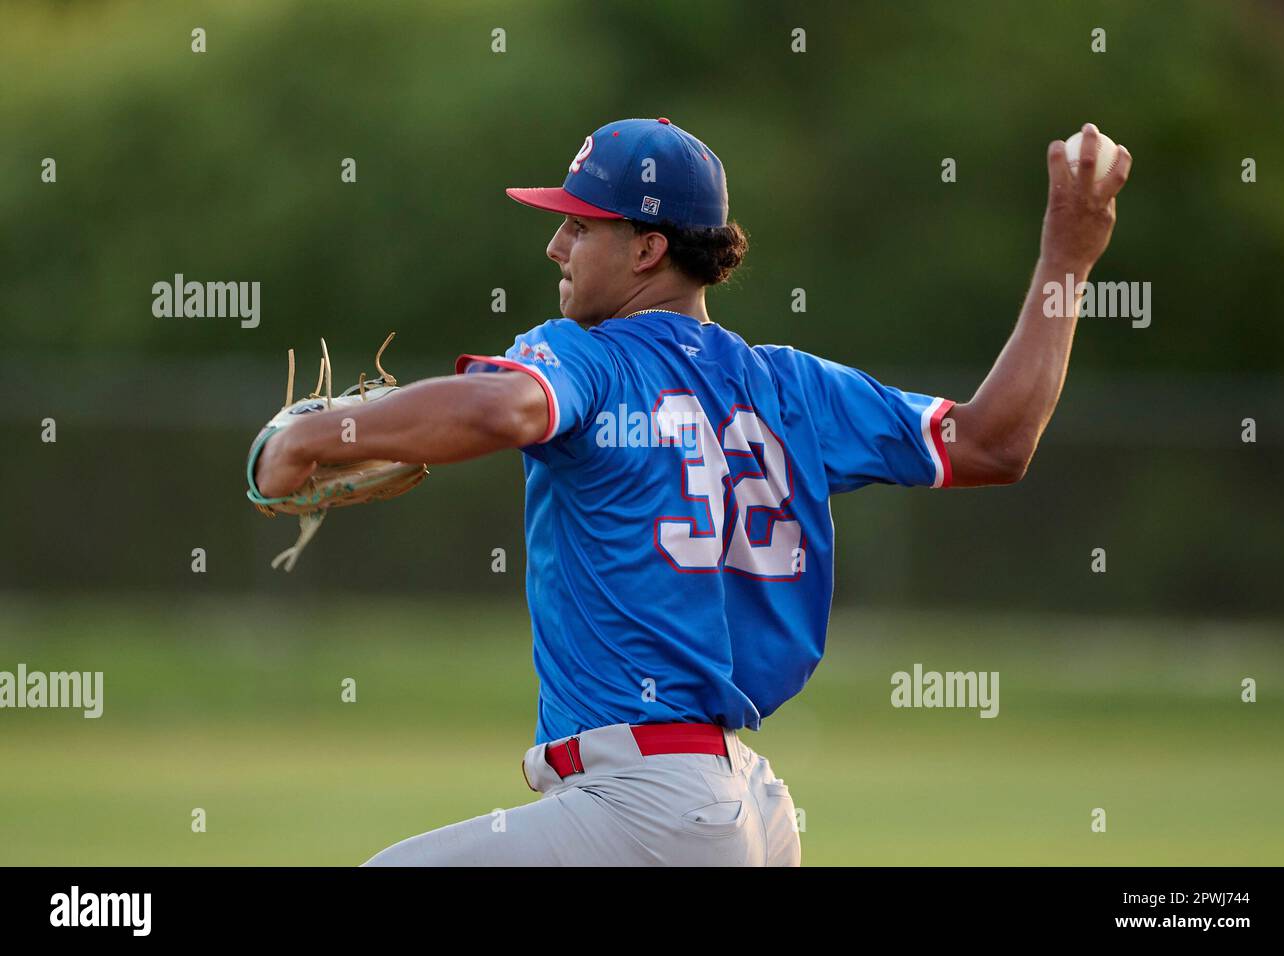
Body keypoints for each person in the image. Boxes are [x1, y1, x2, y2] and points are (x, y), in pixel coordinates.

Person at [252, 117, 1131, 865]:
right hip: (739, 809)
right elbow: (996, 441)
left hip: (643, 810)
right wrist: (1068, 257)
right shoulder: (792, 387)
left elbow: (505, 407)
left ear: (646, 247)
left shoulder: (588, 356)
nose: (555, 244)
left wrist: (314, 435)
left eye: (580, 226)